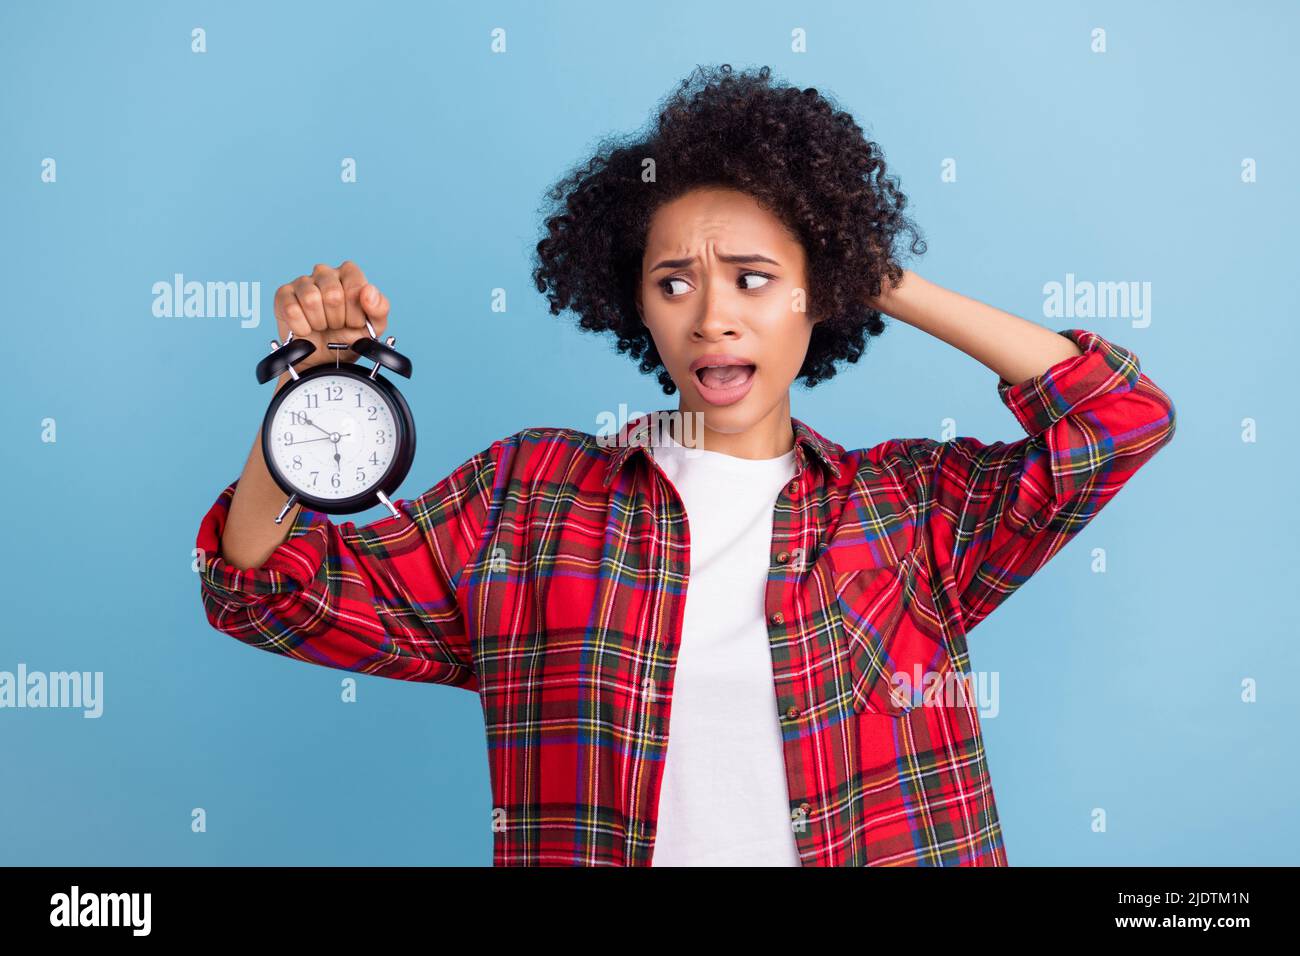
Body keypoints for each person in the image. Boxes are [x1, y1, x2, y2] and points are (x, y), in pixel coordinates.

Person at [194, 64, 1176, 866]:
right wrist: (310, 395)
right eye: (675, 282)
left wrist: (876, 273)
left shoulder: (906, 510)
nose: (712, 315)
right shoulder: (527, 500)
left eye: (754, 278)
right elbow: (262, 589)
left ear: (816, 295)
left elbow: (1118, 416)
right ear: (636, 305)